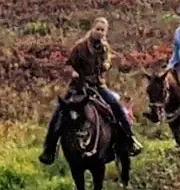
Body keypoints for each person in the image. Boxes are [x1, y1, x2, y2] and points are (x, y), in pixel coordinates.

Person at [39, 16, 143, 165]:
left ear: (105, 33)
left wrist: (106, 66)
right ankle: (49, 148)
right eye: (98, 29)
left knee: (116, 106)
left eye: (103, 30)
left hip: (98, 87)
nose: (100, 33)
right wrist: (72, 73)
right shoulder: (80, 47)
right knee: (59, 112)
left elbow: (106, 62)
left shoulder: (105, 48)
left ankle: (129, 139)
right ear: (92, 29)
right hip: (79, 86)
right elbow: (67, 65)